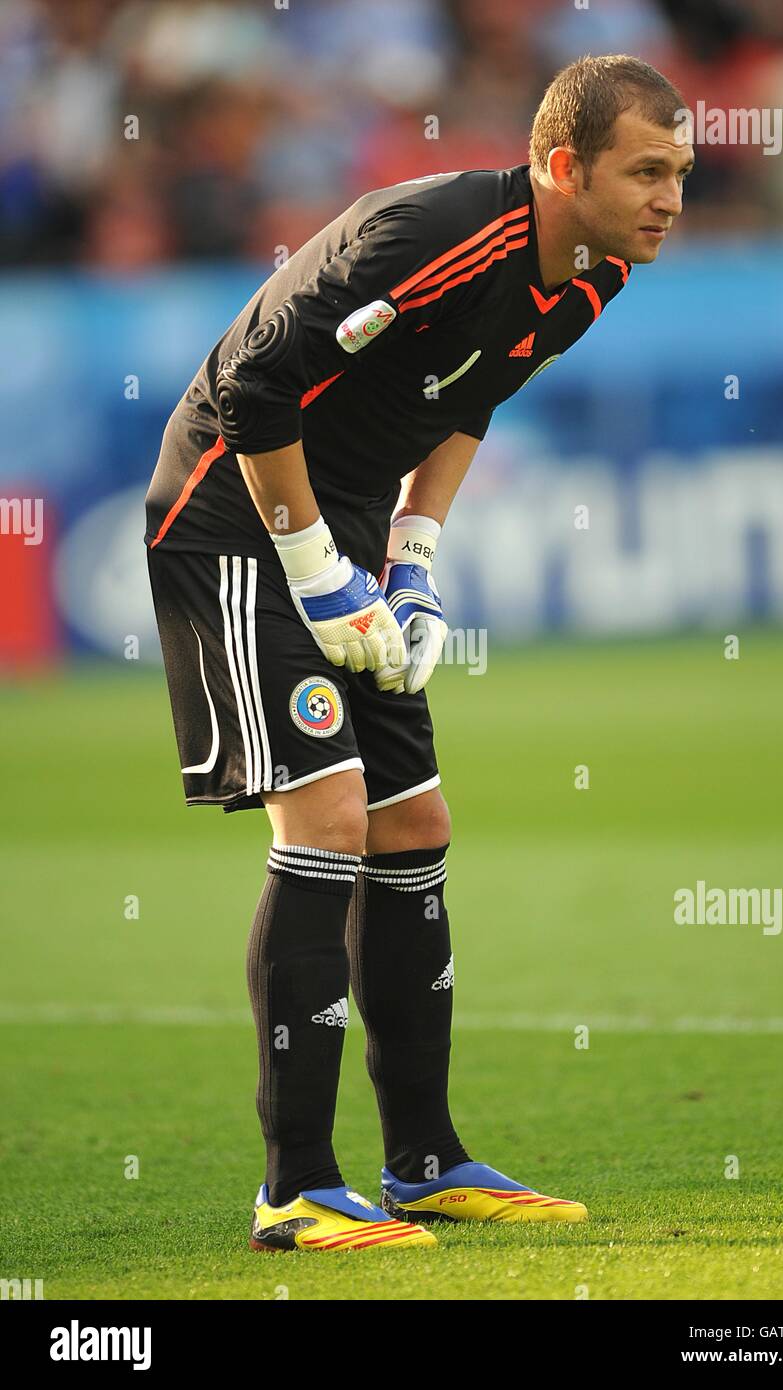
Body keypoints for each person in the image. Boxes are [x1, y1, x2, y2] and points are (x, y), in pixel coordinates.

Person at [144, 54, 692, 1253]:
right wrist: (310, 570)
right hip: (231, 516)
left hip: (341, 534)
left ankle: (425, 1163)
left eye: (681, 174)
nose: (668, 198)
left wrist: (411, 556)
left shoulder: (593, 277)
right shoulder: (430, 232)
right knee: (330, 816)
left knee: (414, 824)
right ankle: (293, 1186)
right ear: (561, 168)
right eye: (644, 171)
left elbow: (469, 398)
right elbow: (251, 388)